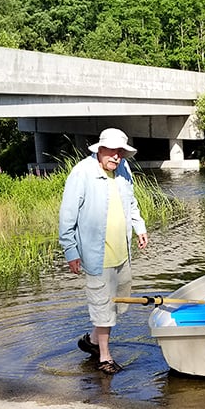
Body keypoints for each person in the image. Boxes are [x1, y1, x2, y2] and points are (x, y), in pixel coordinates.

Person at [59, 128, 148, 374]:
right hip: (95, 253)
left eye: (120, 152)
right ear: (99, 149)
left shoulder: (124, 170)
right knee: (102, 304)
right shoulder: (81, 173)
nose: (116, 157)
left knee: (115, 303)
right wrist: (70, 250)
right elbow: (67, 214)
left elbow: (131, 202)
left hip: (122, 250)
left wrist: (139, 227)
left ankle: (93, 342)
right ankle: (104, 357)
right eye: (112, 151)